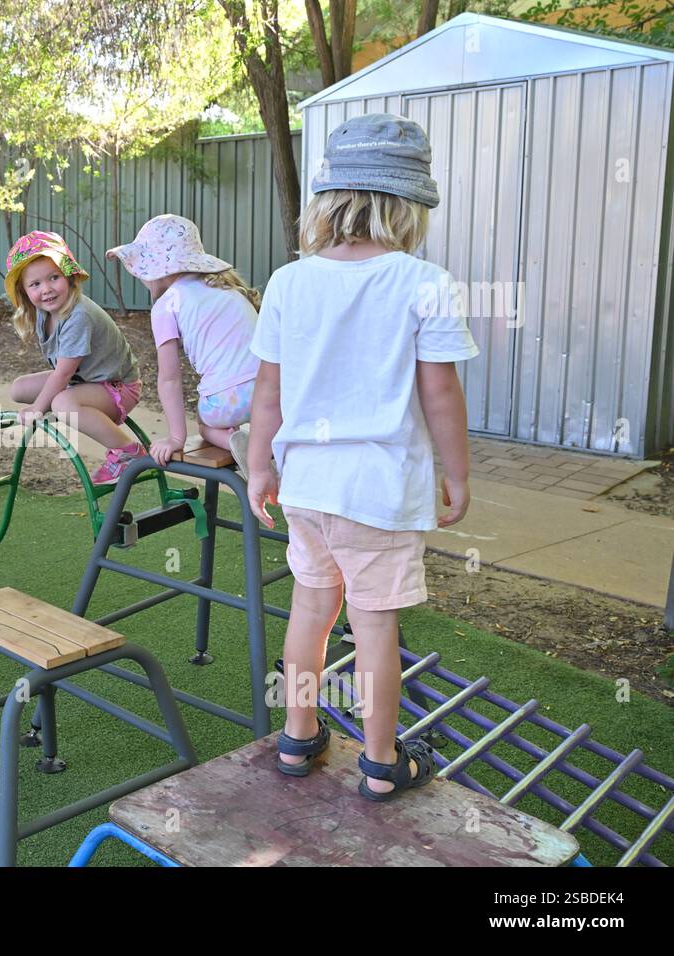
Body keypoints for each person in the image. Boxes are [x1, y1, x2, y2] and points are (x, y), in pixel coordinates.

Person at [245, 114, 479, 800]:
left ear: (327, 201)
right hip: (377, 490)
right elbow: (440, 392)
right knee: (373, 624)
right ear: (408, 208)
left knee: (310, 610)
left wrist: (259, 467)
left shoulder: (288, 282)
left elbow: (267, 392)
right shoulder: (425, 282)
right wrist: (457, 472)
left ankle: (297, 737)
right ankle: (380, 764)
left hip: (307, 487)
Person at [106, 214, 262, 477]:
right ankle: (264, 445)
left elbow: (170, 379)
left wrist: (176, 438)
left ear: (155, 267)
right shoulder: (227, 289)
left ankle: (240, 445)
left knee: (205, 425)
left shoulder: (167, 305)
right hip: (272, 391)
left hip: (226, 403)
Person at [4, 231, 146, 484]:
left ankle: (129, 452)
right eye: (35, 284)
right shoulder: (44, 312)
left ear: (69, 276)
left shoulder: (78, 315)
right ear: (24, 291)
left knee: (62, 404)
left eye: (54, 277)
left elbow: (63, 373)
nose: (46, 289)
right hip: (86, 380)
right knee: (19, 389)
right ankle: (73, 403)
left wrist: (38, 409)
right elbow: (63, 372)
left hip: (117, 387)